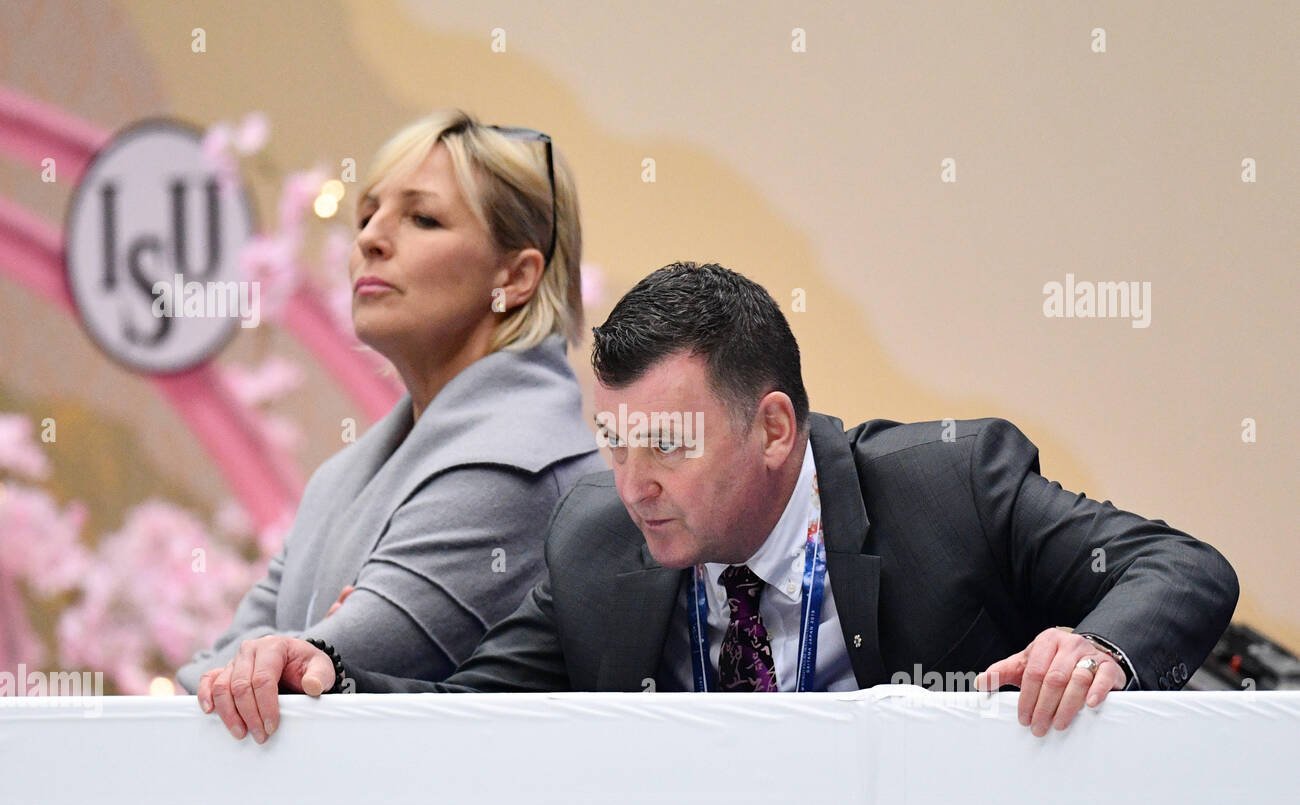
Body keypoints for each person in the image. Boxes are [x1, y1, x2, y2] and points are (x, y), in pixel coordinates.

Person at [198, 262, 1239, 741]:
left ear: (774, 428)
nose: (630, 483)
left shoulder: (947, 487)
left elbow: (1182, 569)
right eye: (613, 445)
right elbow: (473, 721)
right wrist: (331, 673)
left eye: (664, 445)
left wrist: (1094, 650)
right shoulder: (598, 542)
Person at [177, 110, 603, 732]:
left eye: (422, 217)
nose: (372, 238)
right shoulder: (344, 475)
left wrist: (280, 657)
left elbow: (307, 681)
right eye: (367, 214)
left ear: (514, 277)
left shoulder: (518, 470)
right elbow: (215, 678)